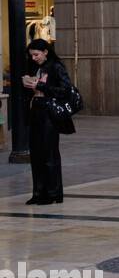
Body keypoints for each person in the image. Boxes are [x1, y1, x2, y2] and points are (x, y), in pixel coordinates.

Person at [21, 39, 74, 205]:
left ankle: (53, 192)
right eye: (32, 55)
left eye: (36, 54)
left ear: (46, 52)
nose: (34, 58)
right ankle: (38, 191)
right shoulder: (35, 67)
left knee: (49, 152)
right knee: (35, 153)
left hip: (49, 112)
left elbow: (65, 90)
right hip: (35, 110)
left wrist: (41, 87)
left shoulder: (56, 67)